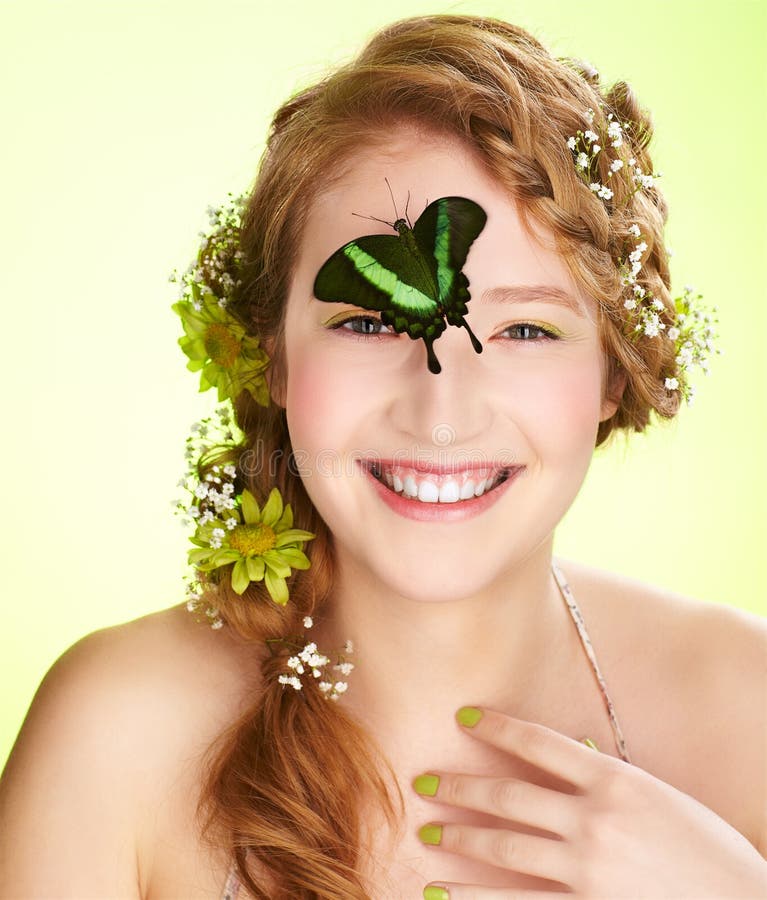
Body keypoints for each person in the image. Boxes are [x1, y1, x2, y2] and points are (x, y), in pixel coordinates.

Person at [0, 13, 765, 900]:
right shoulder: (116, 735)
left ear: (612, 370)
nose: (440, 413)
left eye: (525, 328)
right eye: (367, 321)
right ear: (272, 355)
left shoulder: (746, 708)